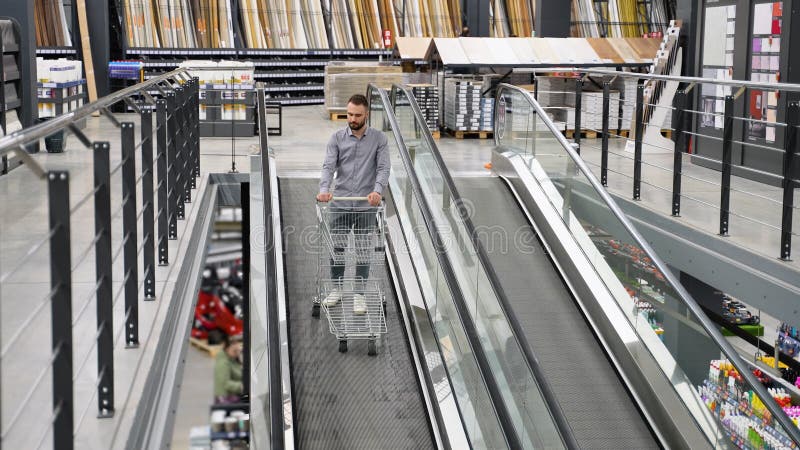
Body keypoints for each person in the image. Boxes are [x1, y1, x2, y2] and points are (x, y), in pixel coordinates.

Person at [317, 93, 390, 315]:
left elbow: (383, 168)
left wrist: (377, 191)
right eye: (349, 114)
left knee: (363, 251)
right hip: (340, 203)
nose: (352, 119)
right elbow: (328, 166)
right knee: (337, 248)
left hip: (365, 206)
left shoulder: (379, 139)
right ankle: (337, 289)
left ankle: (359, 294)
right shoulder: (336, 138)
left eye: (357, 115)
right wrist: (324, 190)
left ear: (366, 114)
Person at [213, 333, 243, 404]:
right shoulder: (223, 363)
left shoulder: (232, 359)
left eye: (238, 351)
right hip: (226, 399)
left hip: (233, 396)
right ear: (226, 348)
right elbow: (226, 384)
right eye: (235, 351)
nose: (238, 353)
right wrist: (243, 386)